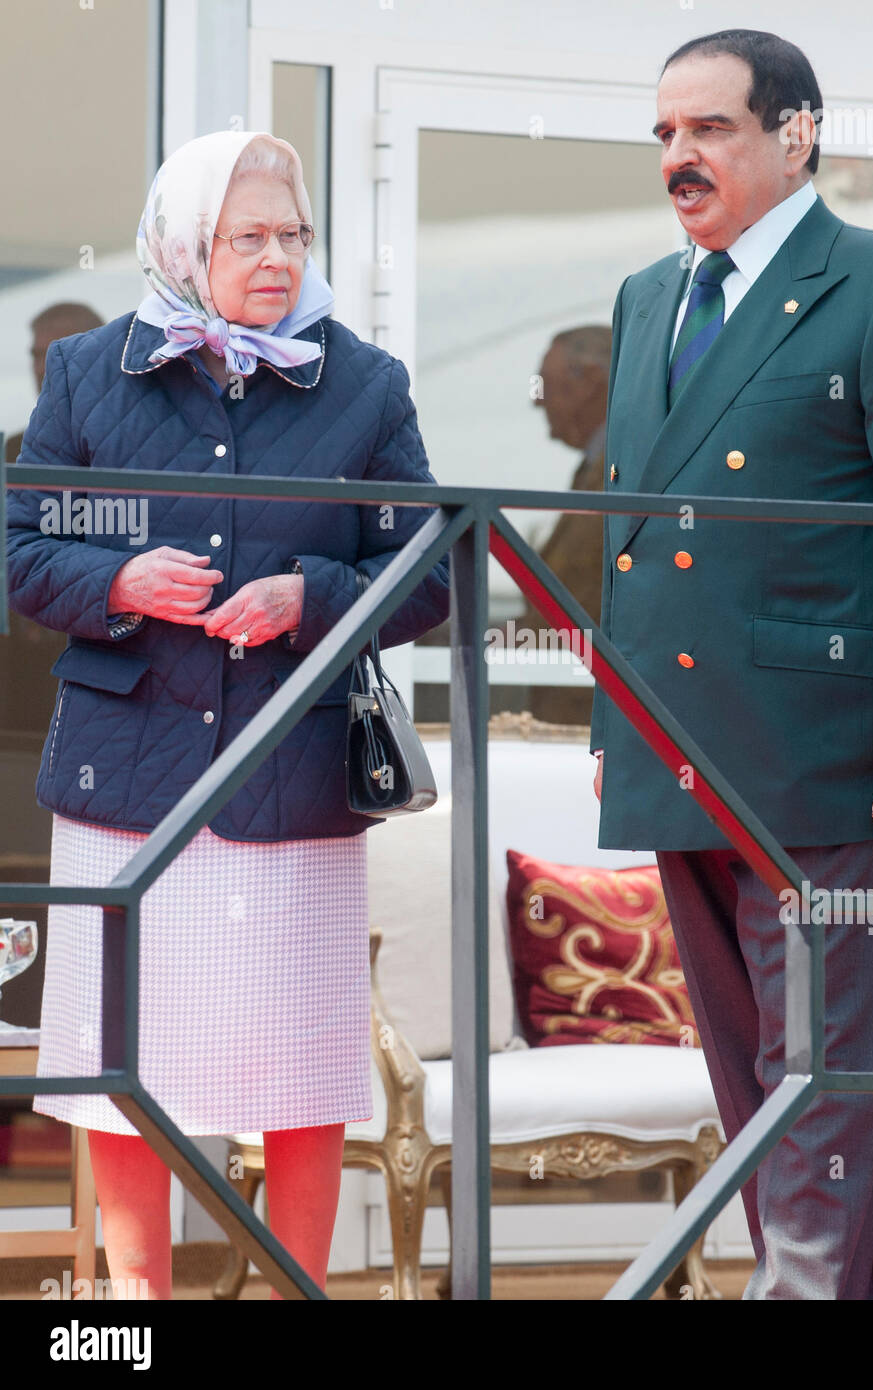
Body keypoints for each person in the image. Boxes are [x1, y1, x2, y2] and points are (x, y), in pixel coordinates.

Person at [589, 29, 873, 1299]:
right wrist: (619, 722)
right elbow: (639, 531)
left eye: (709, 129)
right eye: (665, 133)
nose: (680, 156)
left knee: (818, 1084)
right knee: (755, 1094)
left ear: (795, 134)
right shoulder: (649, 297)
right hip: (681, 745)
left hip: (836, 766)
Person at [4, 130, 450, 1298]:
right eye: (246, 238)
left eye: (291, 236)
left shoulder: (364, 382)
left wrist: (315, 597)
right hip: (124, 777)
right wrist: (114, 583)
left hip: (290, 773)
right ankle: (136, 1307)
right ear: (186, 244)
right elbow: (21, 547)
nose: (275, 259)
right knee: (116, 1063)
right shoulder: (91, 372)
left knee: (303, 1072)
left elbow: (432, 578)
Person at [519, 325, 611, 726]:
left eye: (543, 385)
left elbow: (582, 601)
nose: (537, 402)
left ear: (589, 382)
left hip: (589, 721)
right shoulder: (599, 468)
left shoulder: (622, 472)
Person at [5, 303, 105, 464]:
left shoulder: (122, 444)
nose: (40, 369)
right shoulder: (16, 451)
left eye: (56, 356)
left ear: (93, 358)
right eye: (36, 356)